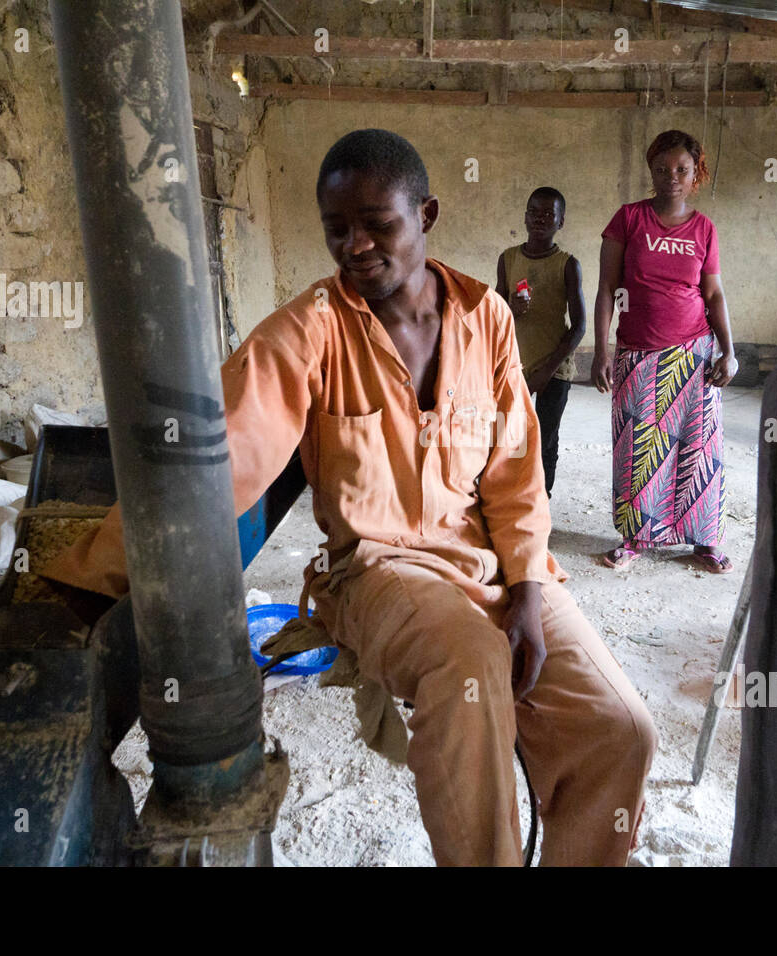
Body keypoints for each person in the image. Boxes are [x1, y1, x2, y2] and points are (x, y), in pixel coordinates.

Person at [44, 129, 657, 867]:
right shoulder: (311, 332)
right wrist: (89, 581)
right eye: (337, 229)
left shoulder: (487, 320)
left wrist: (526, 586)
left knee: (620, 729)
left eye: (378, 224)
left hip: (494, 565)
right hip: (379, 570)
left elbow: (516, 471)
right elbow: (211, 465)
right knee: (469, 671)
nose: (355, 246)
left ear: (426, 215)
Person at [592, 129, 737, 574]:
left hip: (695, 353)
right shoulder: (629, 220)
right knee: (639, 447)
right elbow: (606, 289)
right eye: (662, 169)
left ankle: (704, 540)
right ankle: (635, 537)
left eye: (682, 170)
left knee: (699, 449)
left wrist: (728, 352)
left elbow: (713, 295)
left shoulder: (704, 228)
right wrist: (601, 350)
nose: (671, 177)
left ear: (697, 174)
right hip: (638, 352)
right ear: (651, 172)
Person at [494, 187, 586, 497]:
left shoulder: (567, 264)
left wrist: (548, 370)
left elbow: (579, 326)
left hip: (554, 369)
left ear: (561, 221)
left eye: (549, 214)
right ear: (525, 217)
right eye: (534, 212)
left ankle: (538, 500)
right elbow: (494, 316)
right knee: (507, 435)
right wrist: (511, 309)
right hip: (514, 365)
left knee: (546, 438)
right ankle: (507, 498)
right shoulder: (508, 259)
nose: (540, 219)